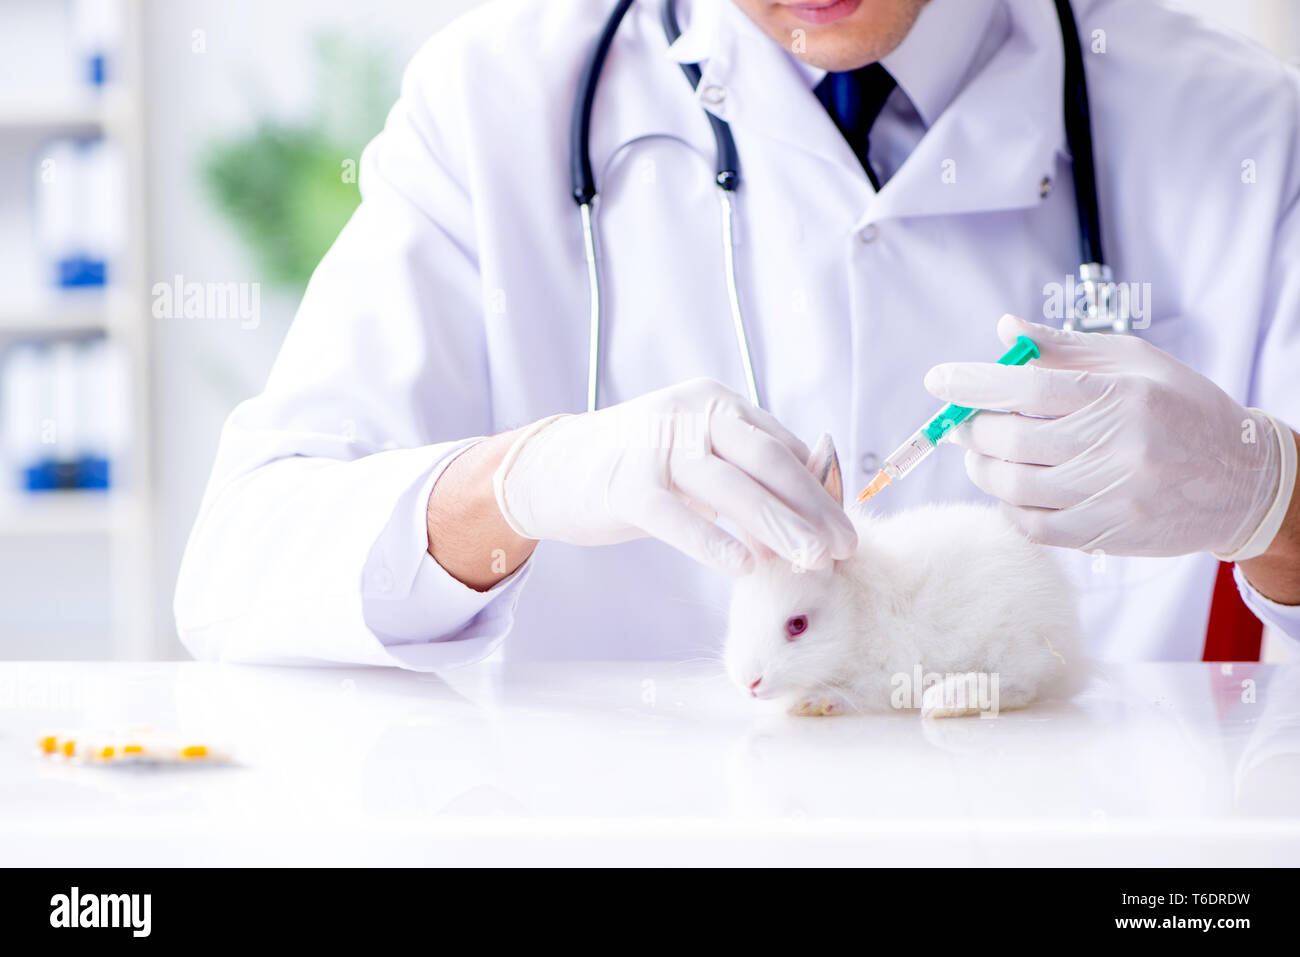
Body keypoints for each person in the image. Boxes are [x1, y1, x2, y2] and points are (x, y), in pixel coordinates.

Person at [175, 0, 1300, 669]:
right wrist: (516, 485)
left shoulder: (1237, 124)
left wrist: (1270, 498)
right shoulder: (498, 104)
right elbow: (237, 571)